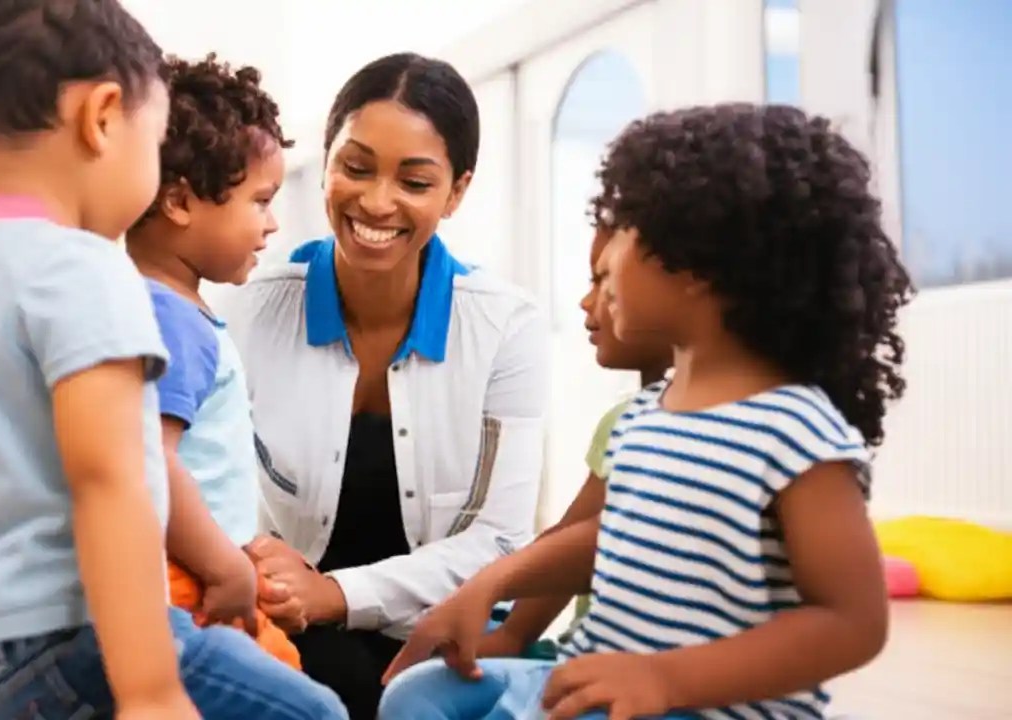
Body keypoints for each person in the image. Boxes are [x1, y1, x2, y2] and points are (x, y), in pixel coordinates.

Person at [380, 103, 914, 720]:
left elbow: (853, 621)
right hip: (597, 678)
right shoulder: (644, 418)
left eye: (622, 239)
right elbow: (615, 537)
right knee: (416, 696)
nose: (603, 270)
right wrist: (488, 587)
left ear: (694, 264)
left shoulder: (794, 430)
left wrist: (666, 678)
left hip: (699, 705)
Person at [225, 52, 550, 719]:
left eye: (415, 180)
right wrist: (272, 577)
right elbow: (211, 482)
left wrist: (336, 594)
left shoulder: (505, 327)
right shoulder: (250, 311)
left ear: (456, 191)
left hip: (450, 629)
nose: (376, 201)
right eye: (356, 166)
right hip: (298, 630)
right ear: (326, 162)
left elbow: (500, 539)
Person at [0, 2, 194, 718]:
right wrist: (152, 693)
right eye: (157, 139)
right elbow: (107, 480)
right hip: (65, 640)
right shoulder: (83, 268)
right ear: (102, 116)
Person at [125, 52, 311, 677]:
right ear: (180, 202)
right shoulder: (171, 318)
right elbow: (152, 458)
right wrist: (225, 566)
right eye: (260, 201)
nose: (272, 223)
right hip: (183, 581)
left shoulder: (158, 305)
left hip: (191, 565)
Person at [478, 228, 672, 663]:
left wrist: (512, 635)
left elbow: (572, 553)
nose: (588, 302)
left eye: (605, 281)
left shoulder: (640, 423)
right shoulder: (630, 417)